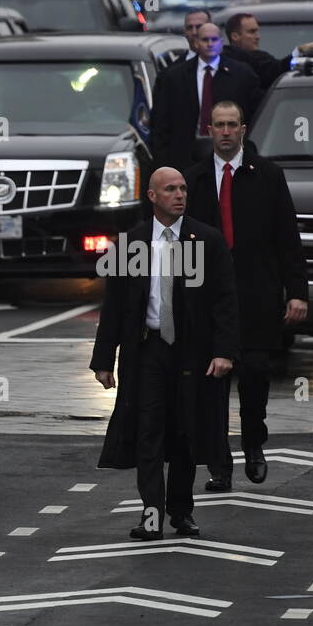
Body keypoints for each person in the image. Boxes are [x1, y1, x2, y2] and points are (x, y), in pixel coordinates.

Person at [90, 167, 239, 540]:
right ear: (152, 196)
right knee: (148, 431)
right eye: (170, 189)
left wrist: (224, 351)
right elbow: (115, 306)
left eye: (183, 188)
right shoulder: (130, 244)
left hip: (193, 352)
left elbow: (226, 302)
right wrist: (104, 360)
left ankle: (181, 512)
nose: (179, 195)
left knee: (186, 430)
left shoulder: (207, 242)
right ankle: (152, 513)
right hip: (148, 349)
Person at [186, 101, 308, 491]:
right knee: (212, 384)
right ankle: (219, 465)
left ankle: (254, 442)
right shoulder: (196, 179)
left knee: (254, 375)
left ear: (243, 129)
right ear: (210, 129)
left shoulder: (268, 176)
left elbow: (288, 239)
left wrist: (297, 293)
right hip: (207, 300)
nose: (225, 131)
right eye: (218, 125)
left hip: (256, 296)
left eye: (232, 125)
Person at [150, 22, 258, 173]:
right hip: (184, 156)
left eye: (214, 40)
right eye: (204, 40)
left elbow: (252, 116)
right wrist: (162, 162)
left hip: (230, 154)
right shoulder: (174, 77)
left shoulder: (242, 75)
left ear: (221, 43)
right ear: (195, 43)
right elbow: (161, 122)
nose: (209, 44)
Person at [223, 13, 313, 90]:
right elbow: (275, 71)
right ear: (235, 36)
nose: (258, 37)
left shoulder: (261, 58)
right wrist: (299, 51)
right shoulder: (224, 61)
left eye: (257, 31)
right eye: (252, 32)